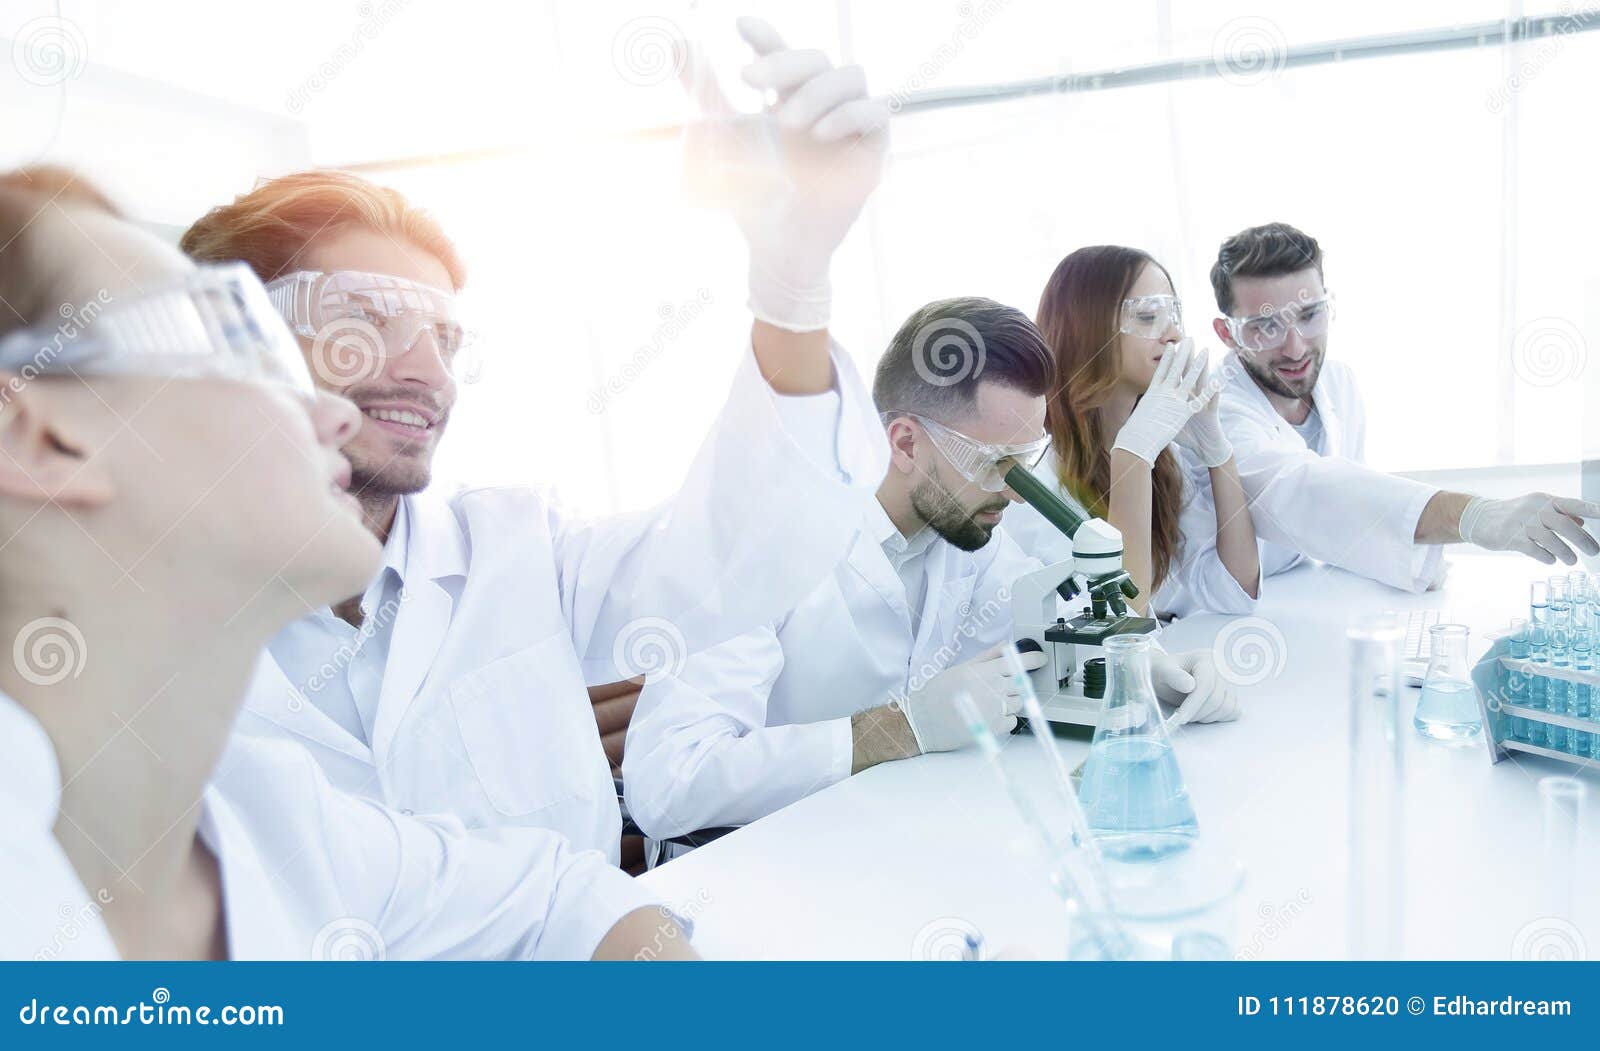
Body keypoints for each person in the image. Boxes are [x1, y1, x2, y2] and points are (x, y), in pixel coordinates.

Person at [180, 18, 892, 862]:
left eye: (445, 338)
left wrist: (792, 282)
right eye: (365, 319)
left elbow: (742, 553)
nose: (428, 373)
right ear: (229, 340)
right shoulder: (129, 619)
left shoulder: (518, 551)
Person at [0, 168, 692, 961]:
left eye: (444, 341)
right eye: (232, 346)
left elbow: (566, 899)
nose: (327, 411)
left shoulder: (273, 816)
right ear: (44, 440)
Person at [622, 297, 1238, 842]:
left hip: (895, 836)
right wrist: (899, 728)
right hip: (758, 867)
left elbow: (1061, 629)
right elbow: (668, 785)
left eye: (1025, 461)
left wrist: (1142, 669)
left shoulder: (963, 533)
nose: (1015, 492)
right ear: (906, 442)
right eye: (995, 463)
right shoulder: (758, 546)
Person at [1209, 221, 1600, 587]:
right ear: (1227, 334)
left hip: (1300, 589)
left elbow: (1351, 504)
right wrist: (1473, 516)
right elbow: (1307, 494)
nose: (1295, 348)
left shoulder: (1337, 382)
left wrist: (1416, 565)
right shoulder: (1216, 410)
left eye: (1310, 315)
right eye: (1266, 326)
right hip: (1222, 611)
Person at [1004, 246, 1260, 619]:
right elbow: (1117, 620)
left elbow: (1236, 592)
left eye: (1173, 315)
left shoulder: (1164, 456)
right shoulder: (1037, 480)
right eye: (1147, 317)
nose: (1173, 334)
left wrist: (1219, 455)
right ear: (1086, 329)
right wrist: (1133, 459)